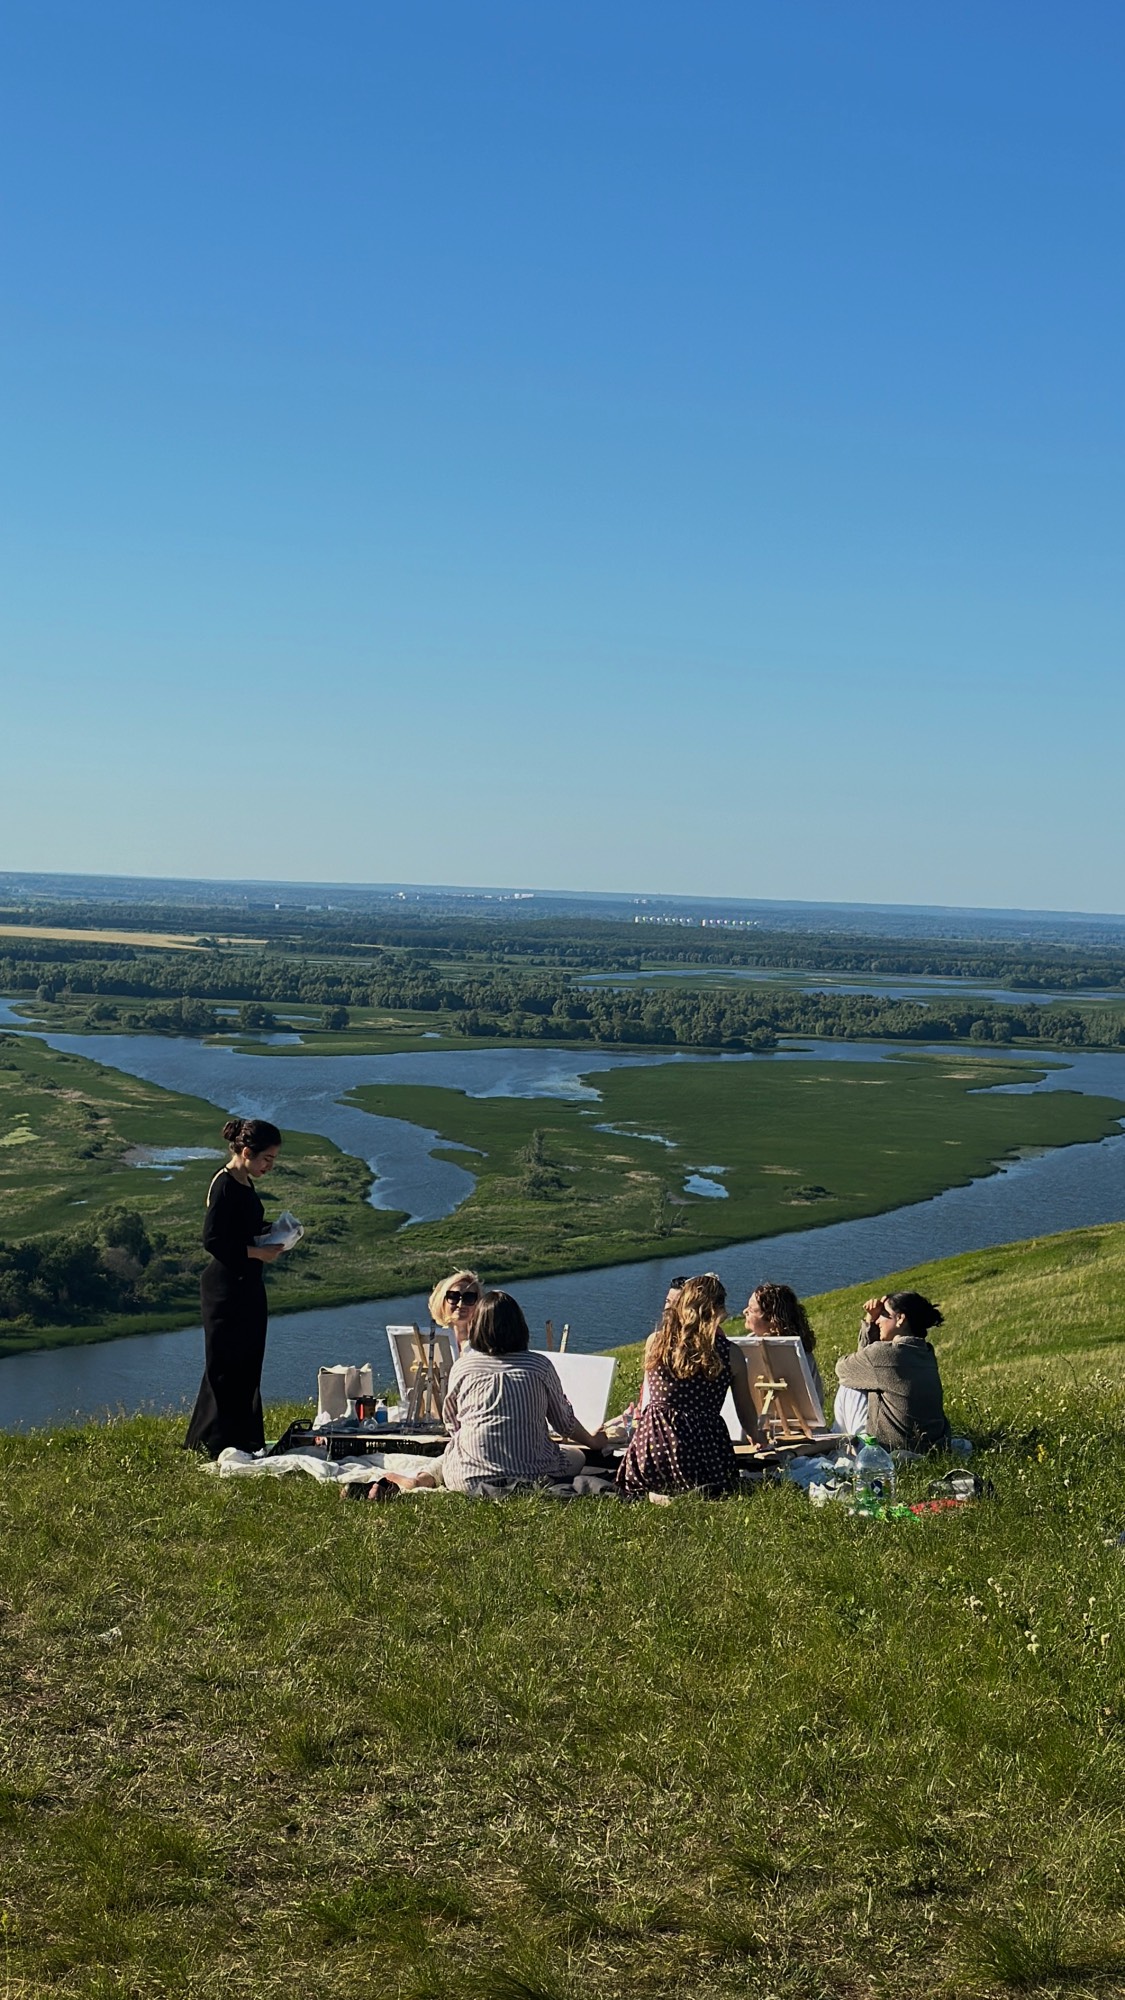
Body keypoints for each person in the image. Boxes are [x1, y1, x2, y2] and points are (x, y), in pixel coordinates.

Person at [381, 1290, 607, 1496]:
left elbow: (453, 1425)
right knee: (577, 1456)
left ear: (476, 1326)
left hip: (468, 1480)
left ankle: (423, 1478)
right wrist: (592, 1440)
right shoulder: (539, 1366)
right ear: (520, 1326)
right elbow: (564, 1424)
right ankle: (426, 1477)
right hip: (534, 1477)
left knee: (458, 1449)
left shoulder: (463, 1367)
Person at [183, 1117, 288, 1458]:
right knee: (225, 1367)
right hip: (225, 1289)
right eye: (267, 1159)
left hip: (247, 1285)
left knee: (246, 1363)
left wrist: (275, 1231)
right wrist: (258, 1251)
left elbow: (241, 1226)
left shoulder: (244, 1179)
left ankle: (241, 1441)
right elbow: (213, 1240)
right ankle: (212, 1443)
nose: (270, 1166)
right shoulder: (225, 1184)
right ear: (246, 1152)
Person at [617, 1273, 760, 1500]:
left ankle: (653, 1493)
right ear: (718, 1310)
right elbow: (745, 1408)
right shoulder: (731, 1353)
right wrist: (757, 1437)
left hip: (652, 1447)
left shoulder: (656, 1341)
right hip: (704, 1450)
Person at [833, 1292, 951, 1452]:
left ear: (900, 1319)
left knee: (849, 1387)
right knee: (864, 1377)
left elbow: (843, 1370)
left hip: (893, 1448)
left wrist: (869, 1321)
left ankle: (839, 1448)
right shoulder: (926, 1352)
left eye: (883, 1314)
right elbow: (865, 1365)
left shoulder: (886, 1354)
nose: (878, 1320)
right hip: (933, 1446)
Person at [742, 1282, 825, 1409]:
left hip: (801, 1425)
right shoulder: (746, 1345)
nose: (744, 1311)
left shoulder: (799, 1355)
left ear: (772, 1321)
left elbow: (814, 1403)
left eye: (751, 1309)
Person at [428, 1268, 483, 1351]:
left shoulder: (486, 1344)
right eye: (453, 1297)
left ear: (478, 1303)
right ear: (442, 1302)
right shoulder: (432, 1343)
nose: (460, 1304)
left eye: (469, 1298)